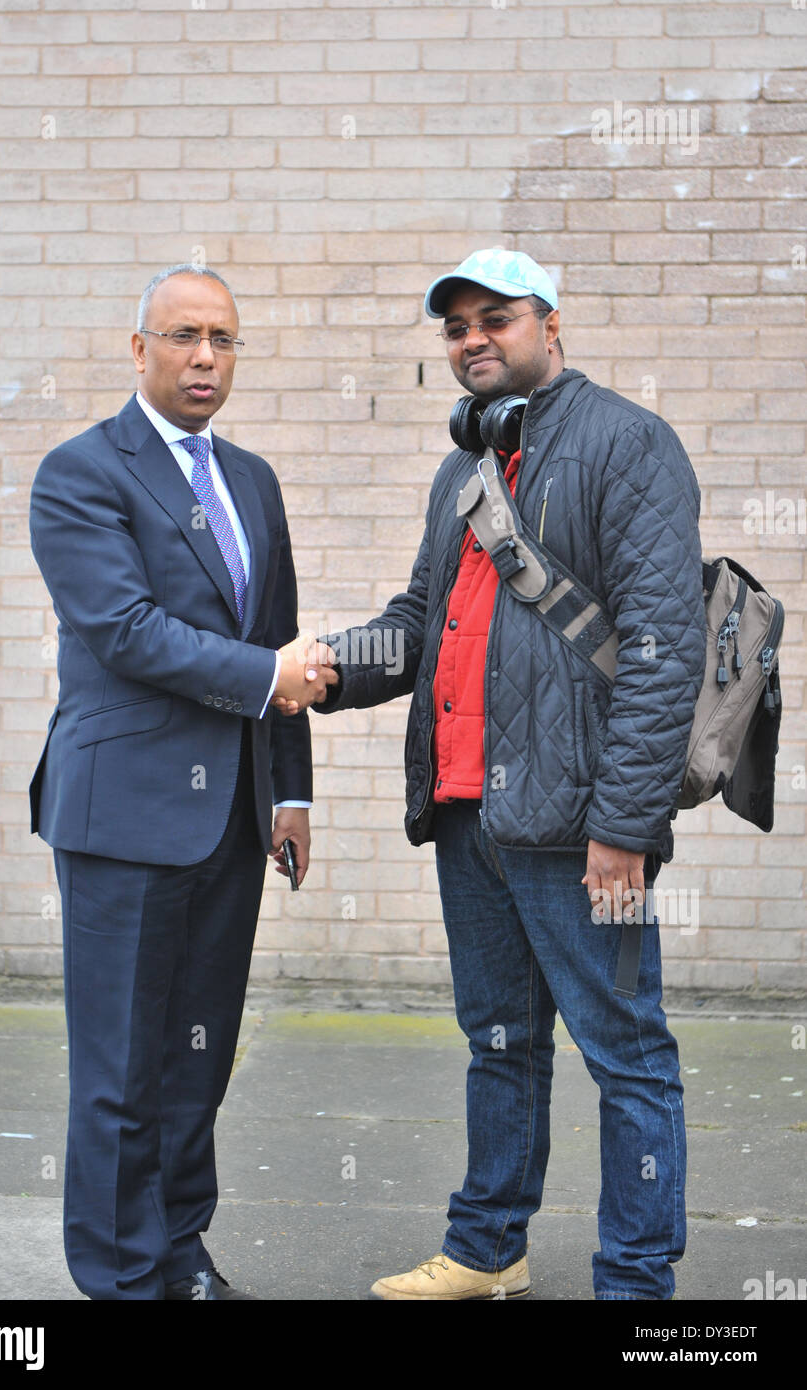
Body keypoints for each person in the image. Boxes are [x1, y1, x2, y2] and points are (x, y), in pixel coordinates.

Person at [287, 248, 707, 1300]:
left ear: (548, 322)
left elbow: (664, 649)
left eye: (495, 318)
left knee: (625, 1052)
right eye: (455, 325)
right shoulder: (462, 470)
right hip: (468, 813)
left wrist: (622, 822)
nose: (472, 338)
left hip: (579, 827)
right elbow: (421, 623)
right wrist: (327, 669)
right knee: (499, 1040)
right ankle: (487, 1249)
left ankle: (635, 1282)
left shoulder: (625, 444)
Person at [28, 263, 335, 1301]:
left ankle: (177, 1250)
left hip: (233, 820)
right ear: (140, 349)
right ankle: (118, 1276)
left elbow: (274, 643)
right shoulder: (81, 473)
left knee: (197, 1061)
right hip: (123, 818)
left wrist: (288, 794)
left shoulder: (250, 480)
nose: (205, 356)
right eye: (184, 336)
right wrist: (270, 677)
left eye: (223, 339)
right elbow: (125, 631)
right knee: (121, 1068)